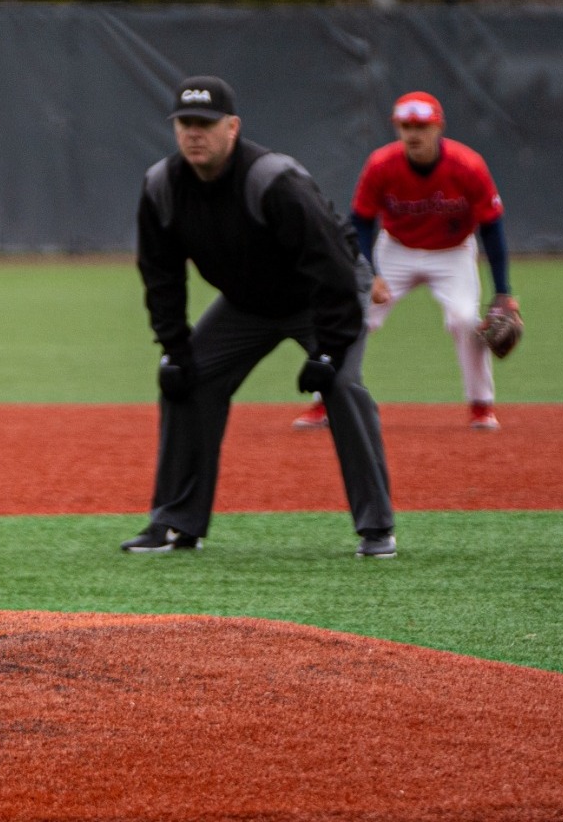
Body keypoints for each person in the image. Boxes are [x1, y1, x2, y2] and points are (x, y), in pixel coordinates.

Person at [126, 75, 398, 558]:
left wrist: (330, 350)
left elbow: (333, 266)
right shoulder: (162, 186)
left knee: (341, 385)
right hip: (247, 303)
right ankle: (174, 523)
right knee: (186, 379)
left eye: (205, 124)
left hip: (321, 295)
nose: (194, 133)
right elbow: (160, 276)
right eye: (185, 123)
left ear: (232, 127)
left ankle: (376, 528)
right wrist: (174, 348)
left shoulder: (272, 180)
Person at [293, 91, 515, 431]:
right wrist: (371, 272)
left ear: (438, 127)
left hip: (452, 253)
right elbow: (362, 222)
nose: (413, 133)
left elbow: (492, 228)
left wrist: (503, 292)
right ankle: (326, 401)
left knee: (464, 320)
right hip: (396, 251)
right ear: (397, 127)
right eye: (406, 125)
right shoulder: (382, 164)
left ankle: (481, 406)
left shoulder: (467, 165)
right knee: (355, 316)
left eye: (421, 126)